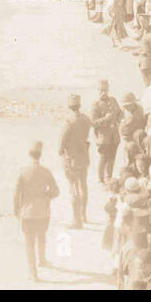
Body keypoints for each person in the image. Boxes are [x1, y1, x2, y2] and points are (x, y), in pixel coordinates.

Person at [13, 141, 60, 281]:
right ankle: (43, 260)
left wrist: (16, 210)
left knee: (29, 243)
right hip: (43, 210)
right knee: (42, 235)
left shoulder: (22, 171)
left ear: (29, 155)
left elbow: (16, 194)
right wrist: (46, 196)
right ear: (40, 155)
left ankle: (33, 273)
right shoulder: (46, 171)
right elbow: (56, 191)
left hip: (27, 212)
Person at [59, 94, 92, 229]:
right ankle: (83, 215)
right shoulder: (85, 119)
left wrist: (61, 151)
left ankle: (76, 219)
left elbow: (62, 142)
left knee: (73, 187)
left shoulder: (69, 121)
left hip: (72, 158)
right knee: (83, 185)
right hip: (84, 155)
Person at [90, 79, 122, 185]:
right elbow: (93, 123)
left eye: (105, 90)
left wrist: (119, 120)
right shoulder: (96, 105)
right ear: (97, 90)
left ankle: (109, 177)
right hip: (103, 137)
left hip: (114, 135)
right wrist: (106, 119)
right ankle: (100, 179)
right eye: (101, 90)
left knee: (112, 157)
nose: (103, 92)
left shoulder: (113, 100)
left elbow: (119, 113)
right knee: (103, 157)